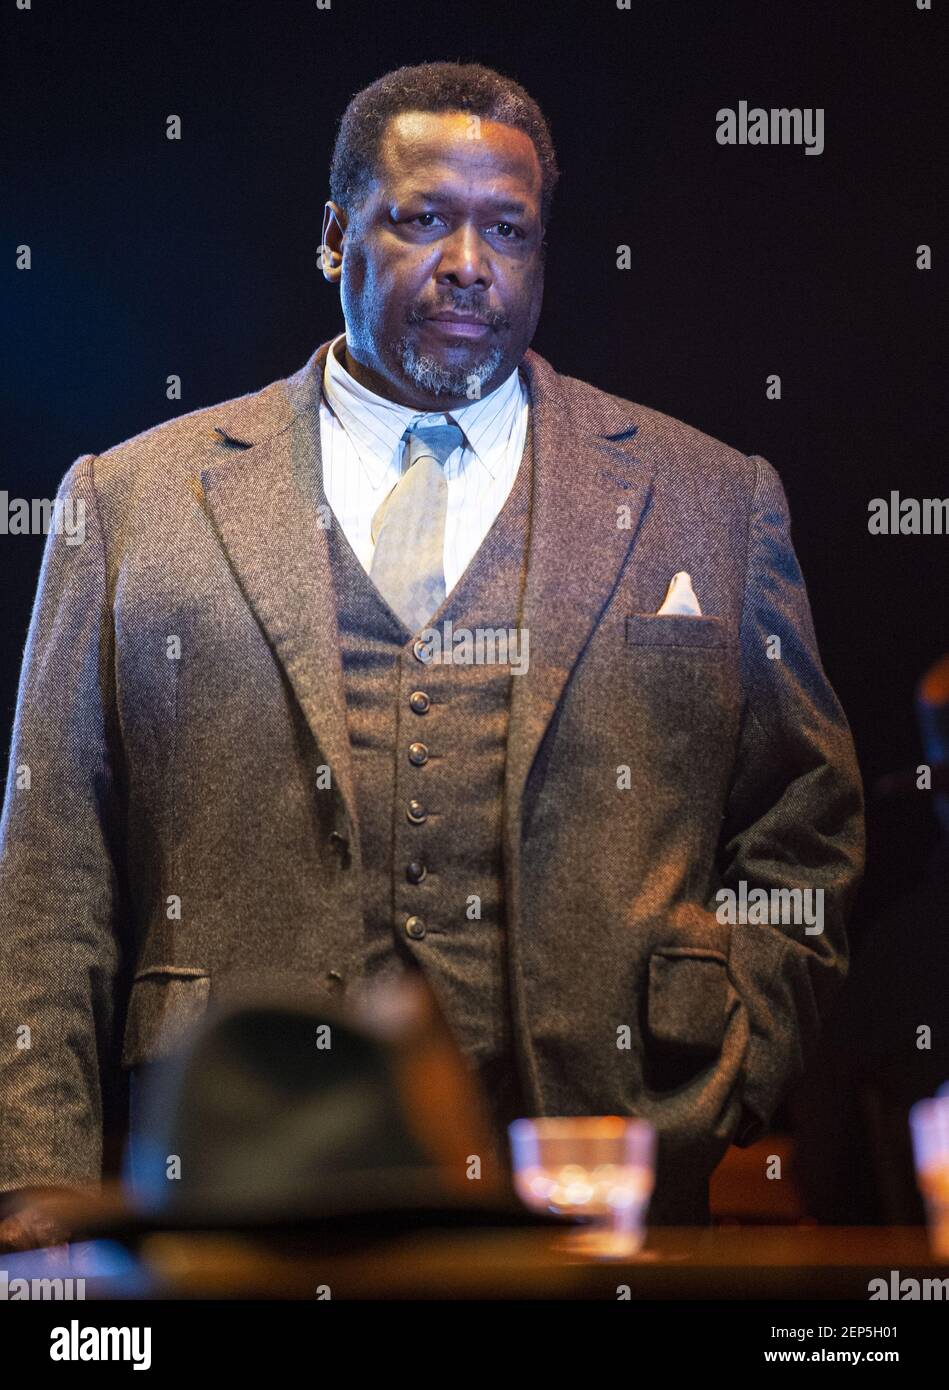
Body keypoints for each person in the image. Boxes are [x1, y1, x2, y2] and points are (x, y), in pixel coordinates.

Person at [0, 61, 864, 1241]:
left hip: (602, 1171)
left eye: (507, 228)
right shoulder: (134, 498)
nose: (469, 260)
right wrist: (37, 1187)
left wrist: (734, 1058)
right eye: (421, 219)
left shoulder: (708, 499)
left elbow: (808, 819)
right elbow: (49, 873)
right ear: (331, 236)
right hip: (233, 1183)